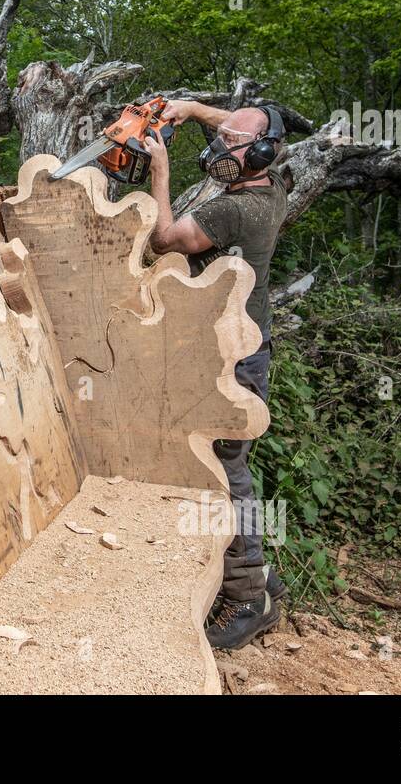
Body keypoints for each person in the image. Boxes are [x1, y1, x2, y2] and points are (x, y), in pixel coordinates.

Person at [141, 99, 289, 649]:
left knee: (224, 471)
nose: (219, 145)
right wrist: (189, 109)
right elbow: (234, 128)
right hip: (247, 344)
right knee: (229, 464)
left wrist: (160, 171)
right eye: (221, 134)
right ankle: (260, 577)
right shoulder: (274, 188)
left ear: (262, 152)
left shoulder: (233, 212)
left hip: (230, 355)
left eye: (231, 142)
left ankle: (248, 597)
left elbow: (163, 239)